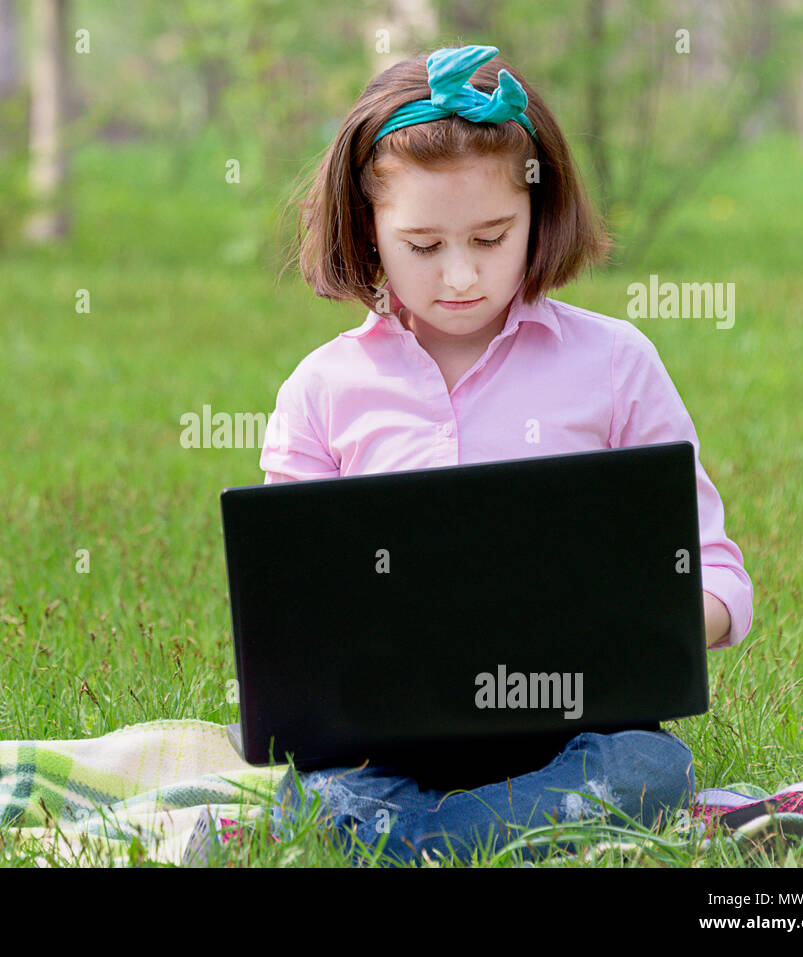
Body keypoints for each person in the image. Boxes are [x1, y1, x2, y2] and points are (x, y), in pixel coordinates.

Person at [260, 45, 754, 866]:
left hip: (572, 728)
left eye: (492, 237)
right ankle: (501, 836)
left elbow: (720, 580)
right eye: (423, 245)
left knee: (651, 766)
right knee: (311, 788)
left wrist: (632, 624)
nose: (461, 276)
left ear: (539, 211)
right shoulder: (322, 391)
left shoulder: (616, 365)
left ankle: (419, 844)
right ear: (369, 233)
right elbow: (293, 621)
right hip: (388, 742)